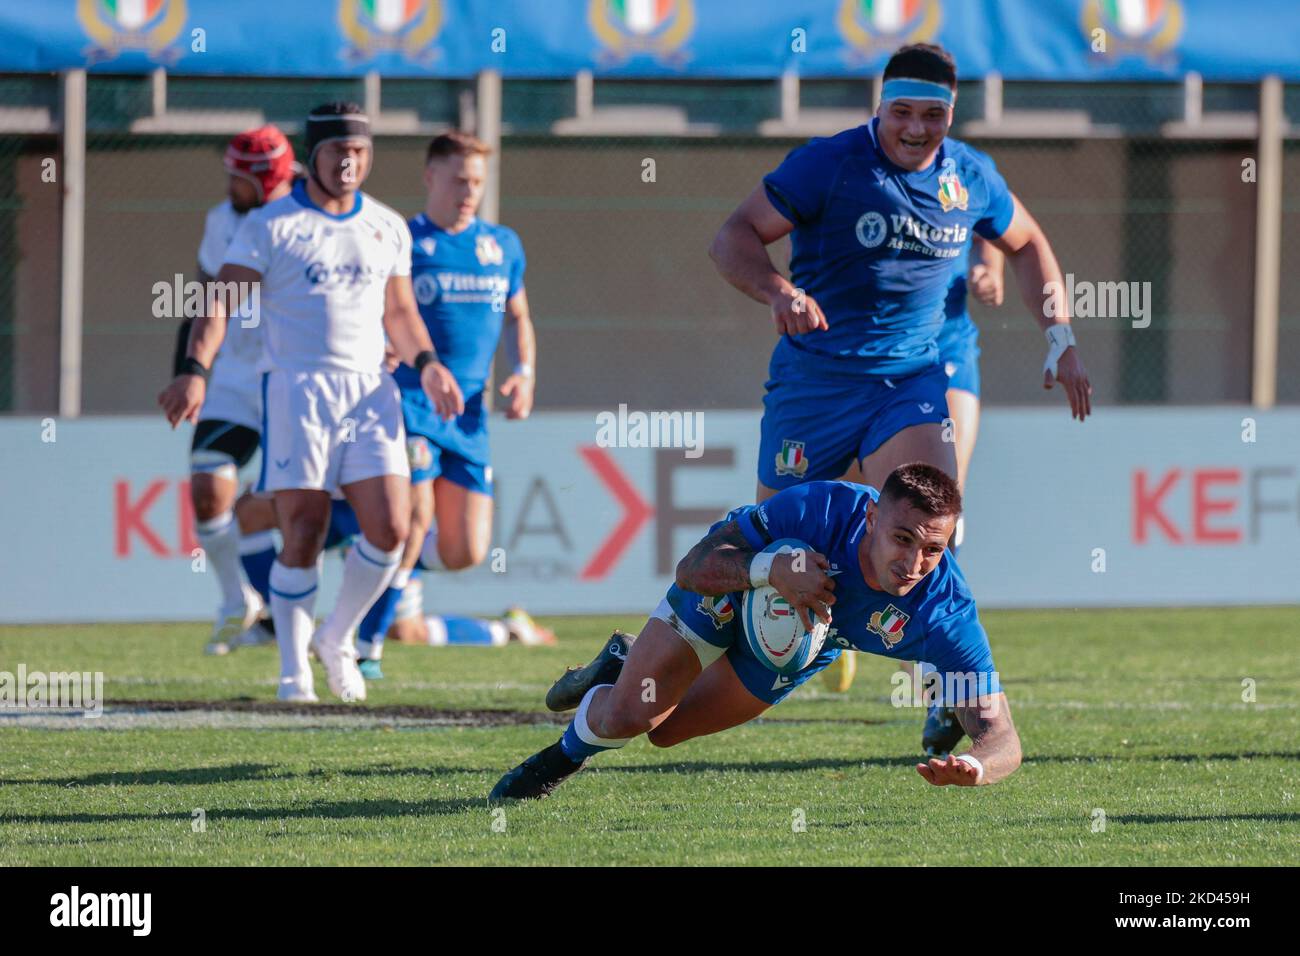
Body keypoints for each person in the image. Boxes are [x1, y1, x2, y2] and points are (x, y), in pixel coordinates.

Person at [159, 102, 462, 702]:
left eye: (359, 151)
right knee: (302, 528)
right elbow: (218, 303)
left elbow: (399, 311)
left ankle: (337, 638)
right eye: (336, 151)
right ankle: (293, 670)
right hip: (296, 390)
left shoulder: (387, 225)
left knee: (393, 530)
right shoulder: (269, 224)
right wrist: (195, 370)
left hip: (371, 391)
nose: (349, 161)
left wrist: (428, 365)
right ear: (314, 157)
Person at [490, 463, 1021, 801]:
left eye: (933, 549)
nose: (913, 562)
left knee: (664, 731)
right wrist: (767, 569)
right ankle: (559, 759)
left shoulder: (945, 611)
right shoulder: (818, 510)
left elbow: (1002, 736)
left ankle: (625, 663)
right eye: (902, 539)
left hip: (799, 648)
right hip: (726, 595)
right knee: (631, 715)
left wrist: (977, 763)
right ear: (871, 518)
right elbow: (693, 566)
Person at [353, 131, 544, 678]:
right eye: (459, 179)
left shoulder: (501, 244)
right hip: (409, 403)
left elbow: (519, 317)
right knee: (414, 518)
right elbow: (378, 309)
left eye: (478, 182)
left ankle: (380, 555)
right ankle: (366, 647)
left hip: (470, 416)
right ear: (430, 176)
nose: (469, 191)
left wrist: (524, 373)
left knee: (464, 550)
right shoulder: (404, 239)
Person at [175, 125, 294, 655]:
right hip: (233, 378)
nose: (229, 184)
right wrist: (189, 372)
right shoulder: (221, 220)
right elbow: (204, 301)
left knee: (303, 509)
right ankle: (237, 601)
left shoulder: (308, 216)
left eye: (239, 176)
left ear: (266, 179)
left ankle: (322, 630)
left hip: (298, 377)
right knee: (208, 489)